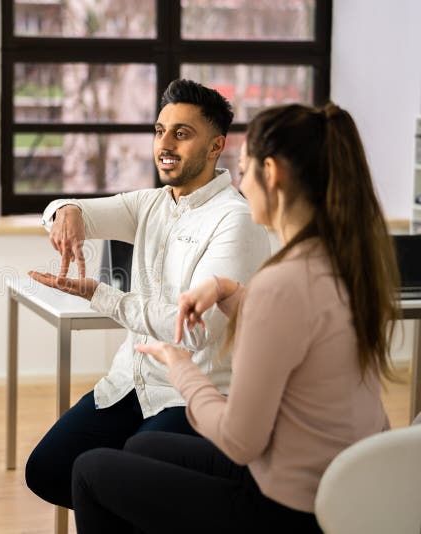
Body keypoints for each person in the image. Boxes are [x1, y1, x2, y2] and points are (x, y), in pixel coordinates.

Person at [71, 102, 397, 533]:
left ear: (272, 173)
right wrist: (235, 294)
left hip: (287, 507)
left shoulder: (279, 283)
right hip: (346, 480)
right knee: (146, 446)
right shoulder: (346, 264)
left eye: (243, 171)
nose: (239, 185)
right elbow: (304, 325)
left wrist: (182, 370)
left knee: (90, 471)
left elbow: (241, 442)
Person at [24, 79, 272, 509]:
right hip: (129, 385)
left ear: (216, 147)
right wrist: (66, 213)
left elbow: (192, 332)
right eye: (160, 131)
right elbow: (66, 209)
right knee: (47, 469)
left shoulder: (237, 219)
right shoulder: (152, 204)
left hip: (193, 395)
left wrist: (103, 297)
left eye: (182, 133)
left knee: (121, 479)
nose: (166, 144)